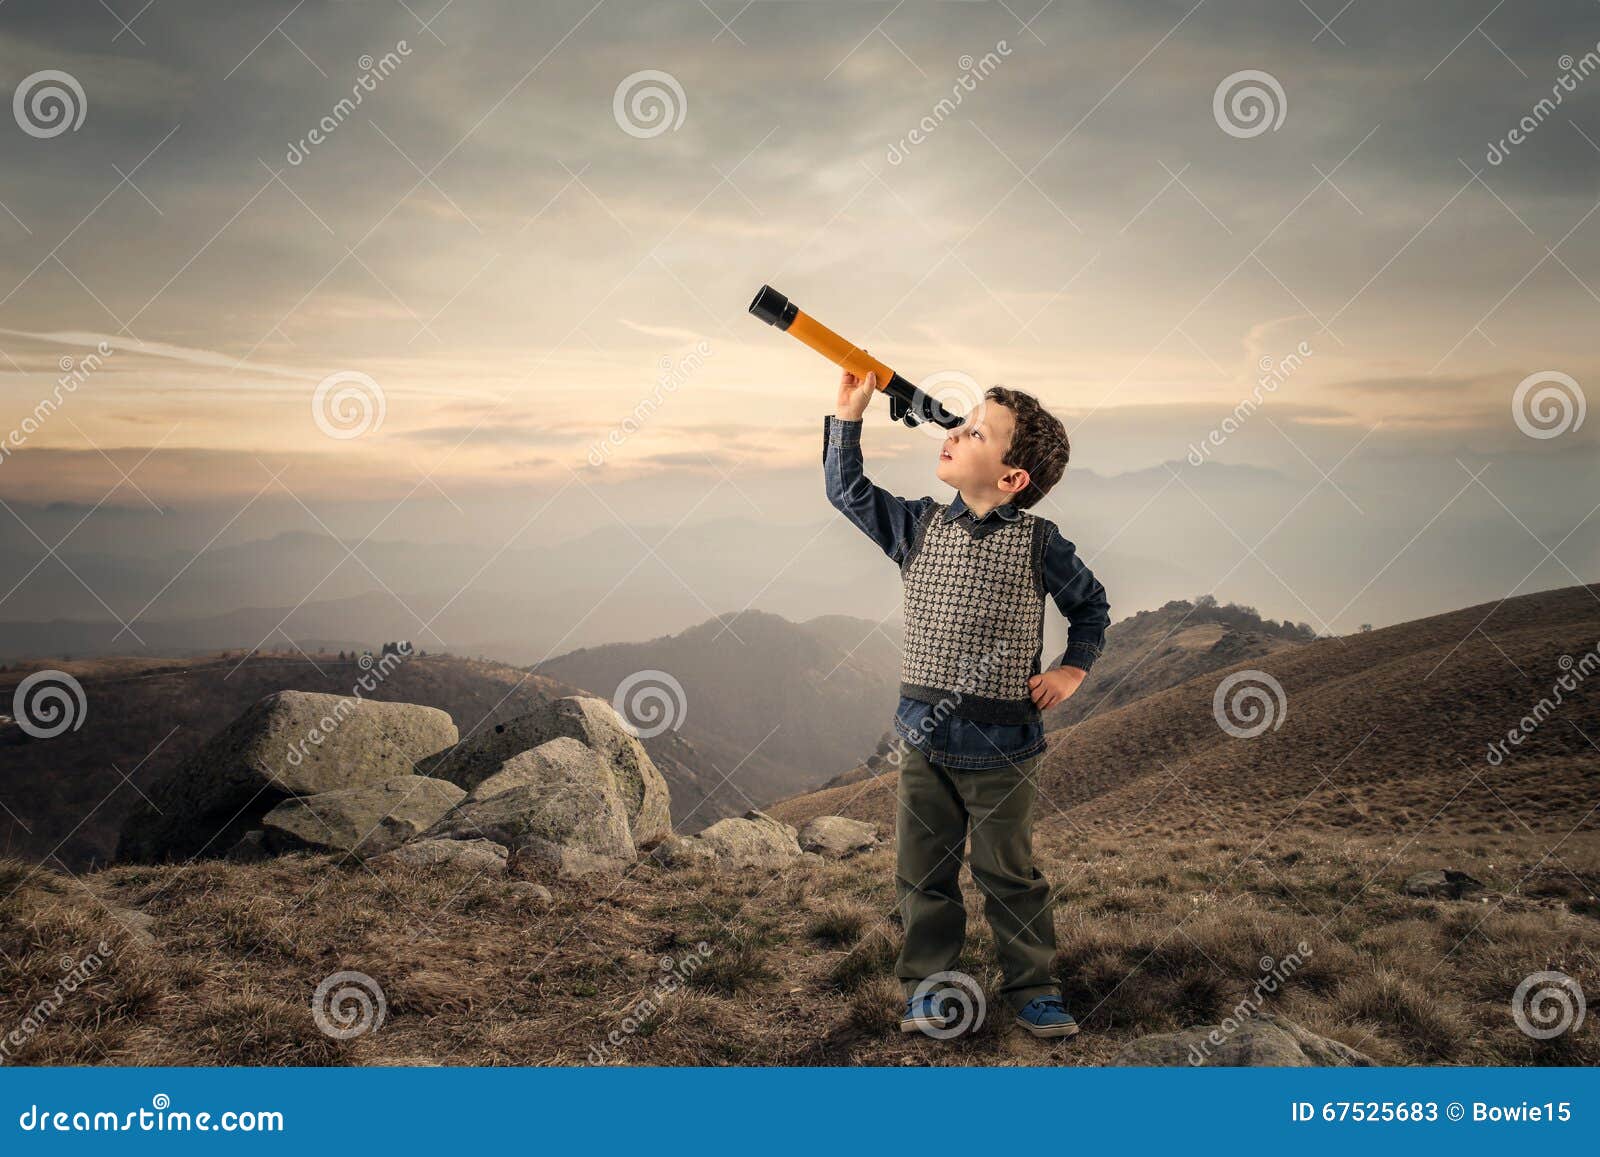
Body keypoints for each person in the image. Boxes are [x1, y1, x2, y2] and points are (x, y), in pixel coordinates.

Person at [822, 367, 1109, 1039]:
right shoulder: (917, 527)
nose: (955, 431)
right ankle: (927, 986)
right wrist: (847, 416)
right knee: (923, 874)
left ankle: (1034, 986)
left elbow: (1090, 606)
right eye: (963, 421)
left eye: (976, 431)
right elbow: (846, 490)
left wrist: (1072, 669)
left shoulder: (1041, 543)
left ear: (1012, 479)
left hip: (1005, 748)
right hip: (922, 742)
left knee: (1007, 873)